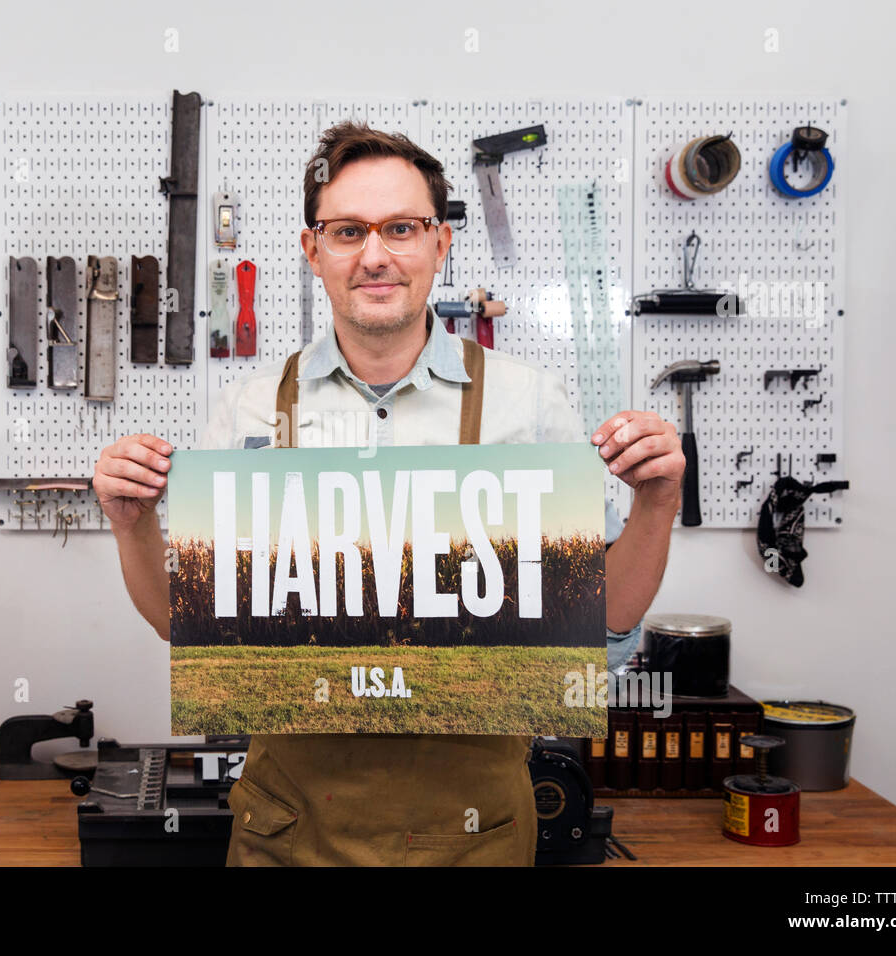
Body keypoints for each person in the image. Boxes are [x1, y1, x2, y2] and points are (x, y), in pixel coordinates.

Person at [93, 121, 683, 866]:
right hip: (288, 834)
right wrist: (131, 527)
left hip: (479, 838)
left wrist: (657, 504)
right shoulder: (247, 413)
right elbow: (189, 631)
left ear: (439, 244)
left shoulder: (529, 407)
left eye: (400, 228)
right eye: (346, 231)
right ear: (314, 251)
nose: (374, 255)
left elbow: (603, 629)